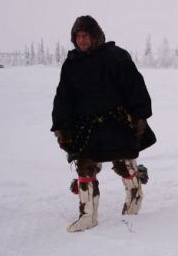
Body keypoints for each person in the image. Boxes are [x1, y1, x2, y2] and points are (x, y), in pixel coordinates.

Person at [51, 15, 155, 232]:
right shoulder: (71, 64)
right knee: (85, 166)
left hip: (116, 123)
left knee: (123, 163)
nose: (81, 40)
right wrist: (61, 127)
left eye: (85, 35)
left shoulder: (115, 56)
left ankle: (135, 197)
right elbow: (63, 98)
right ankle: (88, 215)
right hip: (86, 128)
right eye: (78, 36)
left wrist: (140, 116)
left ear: (94, 36)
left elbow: (135, 86)